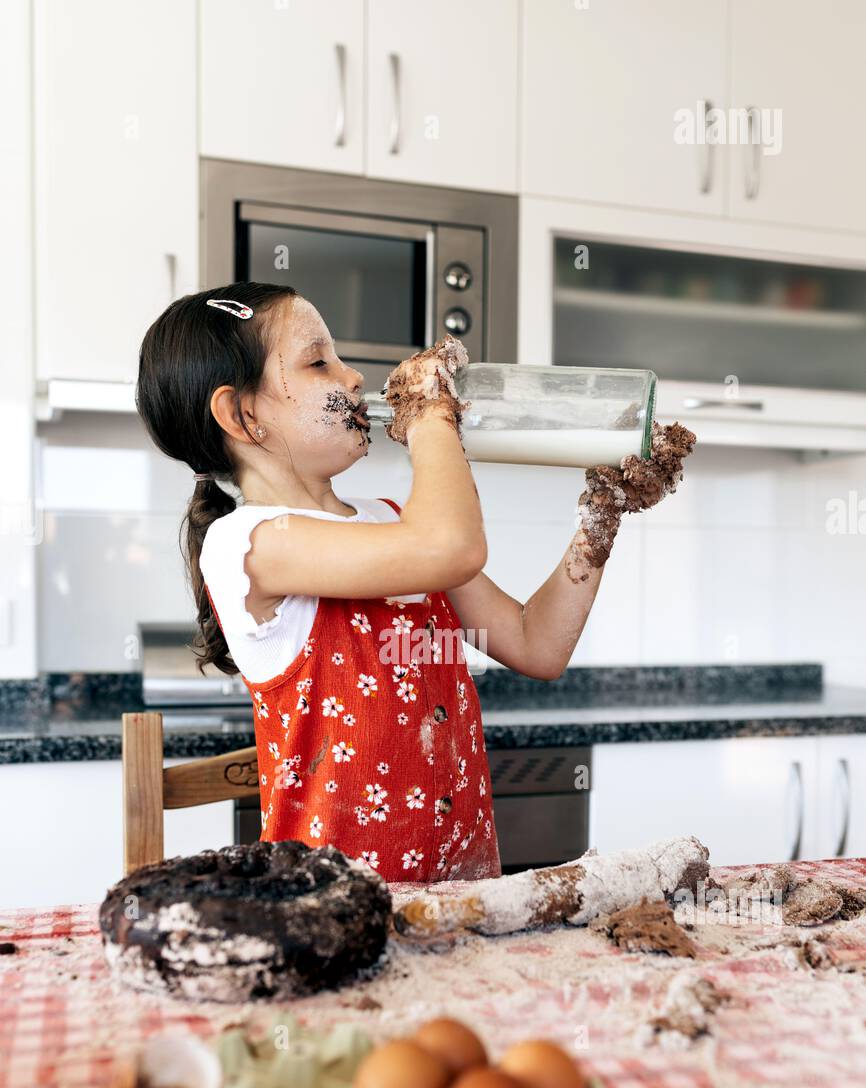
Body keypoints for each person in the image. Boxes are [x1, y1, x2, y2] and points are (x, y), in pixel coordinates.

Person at [136, 282, 688, 883]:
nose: (351, 378)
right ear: (244, 416)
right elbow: (451, 544)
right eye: (319, 361)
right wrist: (429, 416)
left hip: (461, 903)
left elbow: (538, 644)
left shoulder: (394, 523)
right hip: (340, 915)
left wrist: (599, 517)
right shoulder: (247, 544)